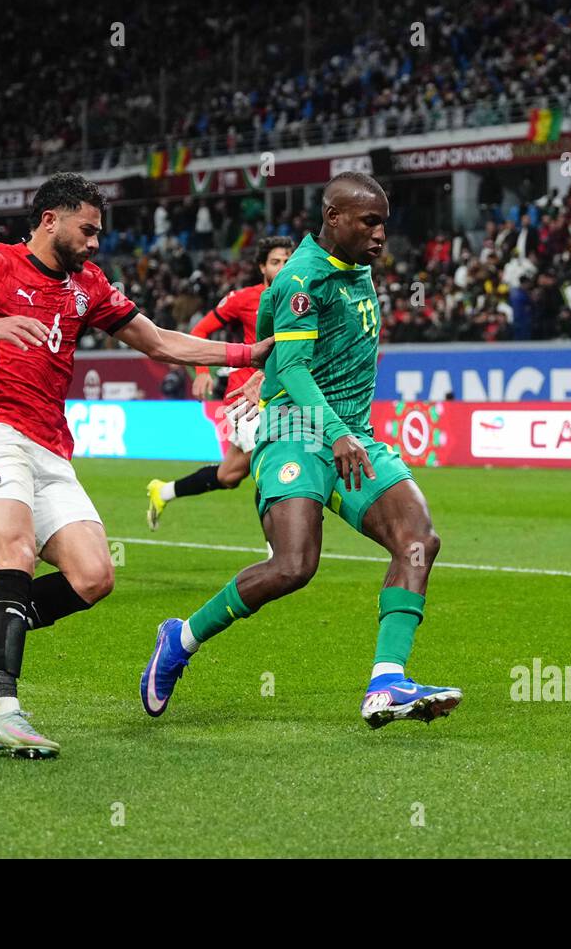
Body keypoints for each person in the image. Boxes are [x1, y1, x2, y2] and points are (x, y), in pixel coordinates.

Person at [0, 172, 272, 759]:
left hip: (50, 446)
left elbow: (158, 343)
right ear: (51, 219)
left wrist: (247, 354)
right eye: (88, 229)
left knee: (94, 577)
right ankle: (0, 710)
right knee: (15, 551)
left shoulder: (88, 284)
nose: (96, 242)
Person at [140, 171, 462, 729]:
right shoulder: (302, 278)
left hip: (349, 434)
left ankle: (387, 682)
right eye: (370, 222)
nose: (382, 234)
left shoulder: (355, 267)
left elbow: (280, 353)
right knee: (293, 566)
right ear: (334, 217)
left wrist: (268, 376)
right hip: (296, 432)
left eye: (384, 222)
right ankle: (180, 639)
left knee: (418, 540)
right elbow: (290, 361)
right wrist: (299, 400)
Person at [145, 236, 294, 530]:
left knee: (229, 475)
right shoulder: (243, 299)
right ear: (262, 267)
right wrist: (201, 371)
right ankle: (278, 556)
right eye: (276, 262)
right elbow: (200, 330)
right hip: (245, 397)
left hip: (280, 394)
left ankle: (162, 491)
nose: (283, 267)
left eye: (288, 262)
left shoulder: (299, 300)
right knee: (271, 461)